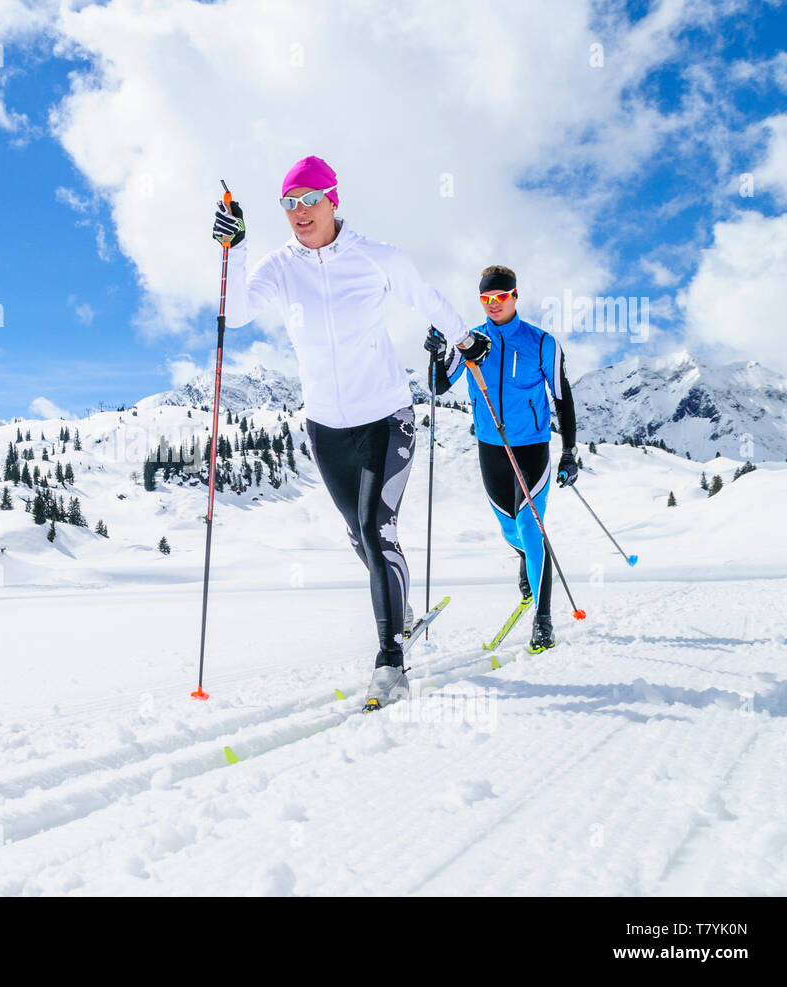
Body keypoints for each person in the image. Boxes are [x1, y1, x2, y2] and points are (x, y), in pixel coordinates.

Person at [211, 155, 490, 709]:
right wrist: (233, 247)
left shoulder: (375, 256)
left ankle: (390, 662)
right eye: (287, 204)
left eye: (308, 199)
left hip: (386, 416)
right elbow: (237, 310)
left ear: (333, 200)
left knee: (374, 527)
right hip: (326, 428)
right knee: (358, 535)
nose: (298, 213)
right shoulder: (280, 266)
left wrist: (465, 339)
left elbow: (425, 297)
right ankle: (398, 602)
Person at [427, 265, 578, 652]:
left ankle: (543, 620)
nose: (493, 304)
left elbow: (562, 398)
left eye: (500, 297)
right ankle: (526, 562)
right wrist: (438, 353)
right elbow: (438, 386)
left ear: (514, 295)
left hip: (531, 446)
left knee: (530, 524)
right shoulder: (471, 341)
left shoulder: (541, 342)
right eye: (486, 299)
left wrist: (569, 452)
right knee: (510, 529)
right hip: (490, 447)